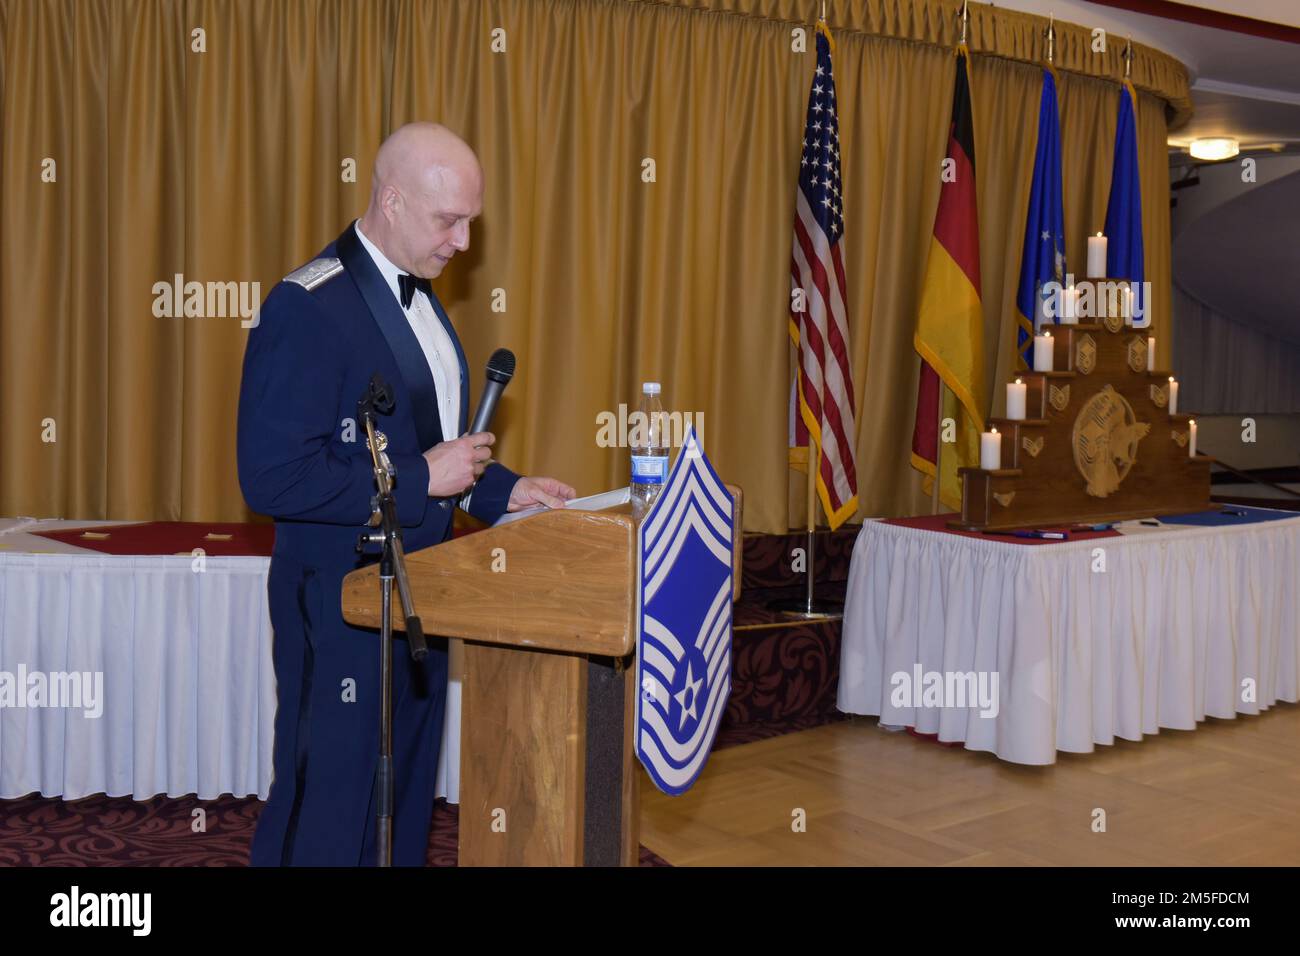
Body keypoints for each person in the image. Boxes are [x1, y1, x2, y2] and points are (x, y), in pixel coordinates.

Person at [237, 122, 575, 866]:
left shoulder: (419, 298)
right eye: (447, 220)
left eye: (470, 223)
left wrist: (503, 495)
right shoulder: (308, 304)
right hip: (338, 600)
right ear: (390, 200)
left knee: (400, 806)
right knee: (327, 803)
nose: (461, 241)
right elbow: (270, 477)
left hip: (423, 597)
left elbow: (430, 440)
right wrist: (425, 477)